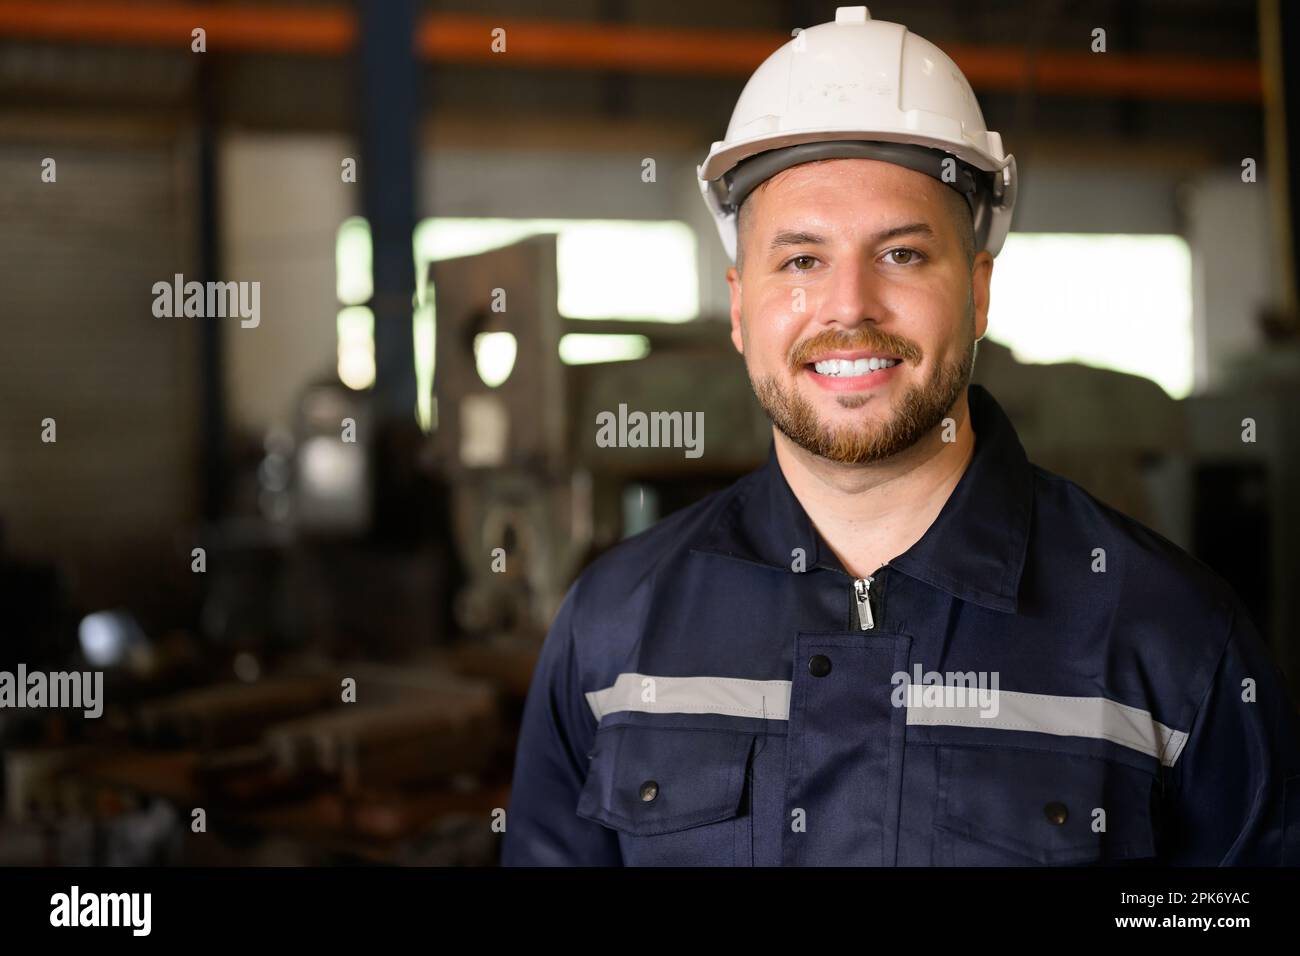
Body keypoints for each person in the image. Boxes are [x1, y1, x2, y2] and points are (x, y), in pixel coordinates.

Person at [502, 6, 1300, 866]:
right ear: (740, 305)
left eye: (904, 255)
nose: (849, 306)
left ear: (979, 292)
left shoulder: (1169, 635)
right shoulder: (612, 631)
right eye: (801, 259)